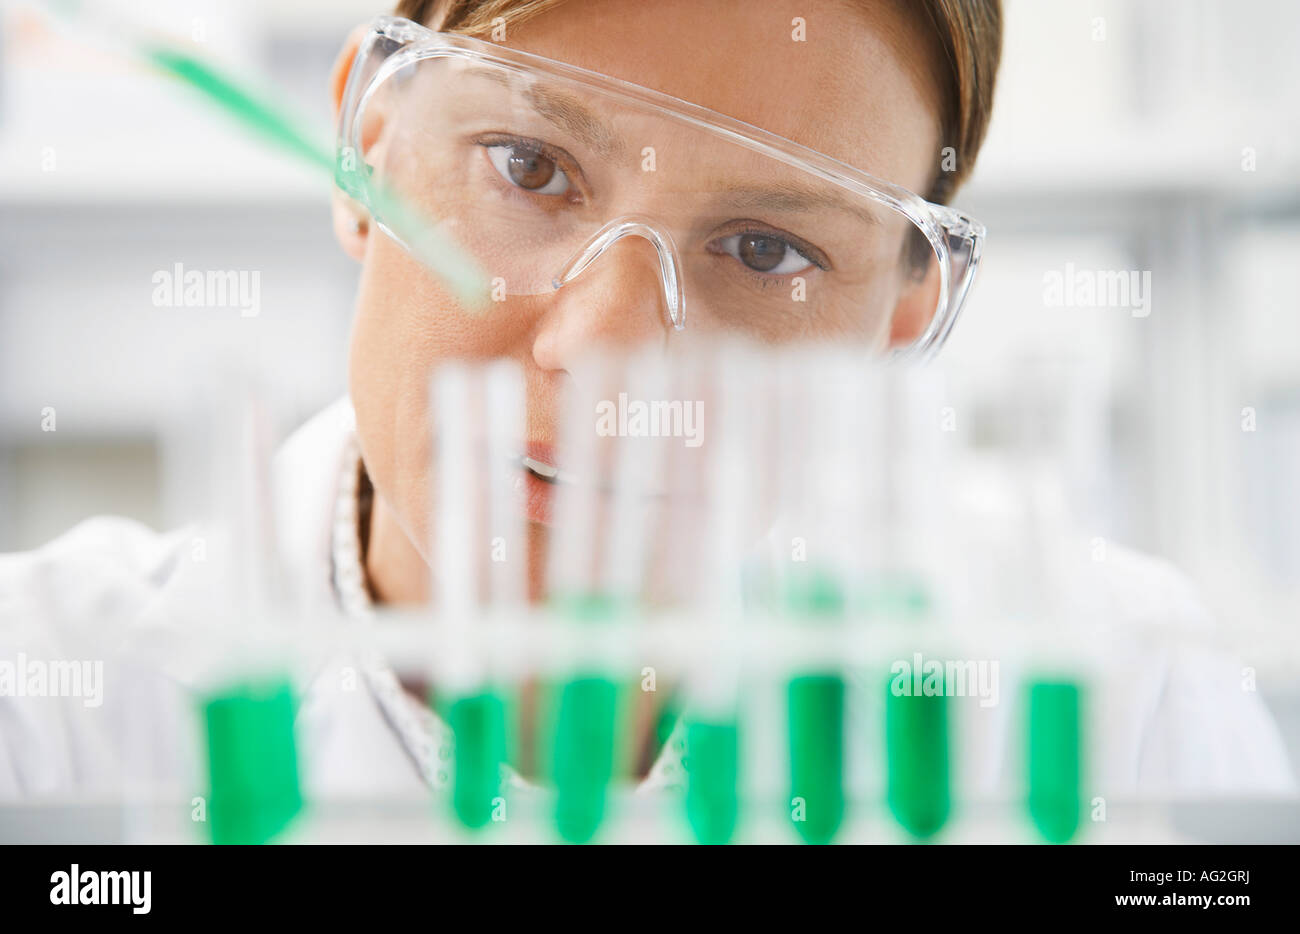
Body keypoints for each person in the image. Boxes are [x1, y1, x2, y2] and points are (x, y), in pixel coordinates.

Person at [0, 0, 1292, 817]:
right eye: (529, 166)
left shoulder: (1123, 694)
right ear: (364, 145)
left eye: (767, 249)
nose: (606, 349)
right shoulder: (43, 715)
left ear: (902, 317)